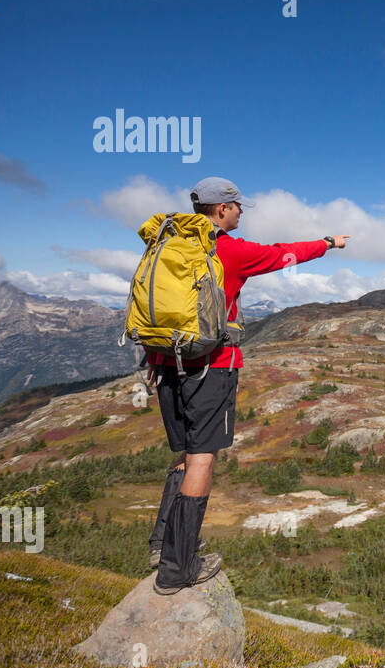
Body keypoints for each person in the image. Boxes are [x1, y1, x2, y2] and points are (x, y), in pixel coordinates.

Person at [148, 176, 350, 594]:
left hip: (167, 363)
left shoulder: (168, 244)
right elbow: (282, 256)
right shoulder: (229, 250)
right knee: (202, 458)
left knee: (186, 454)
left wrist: (154, 359)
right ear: (222, 209)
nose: (241, 213)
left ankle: (162, 547)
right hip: (211, 366)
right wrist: (327, 243)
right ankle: (177, 568)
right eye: (238, 207)